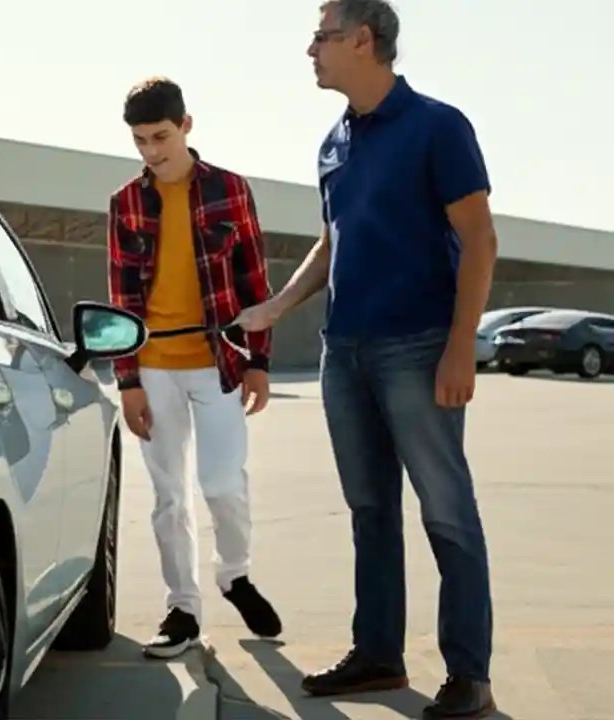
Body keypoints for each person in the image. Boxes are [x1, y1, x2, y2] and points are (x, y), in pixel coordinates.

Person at [233, 2, 498, 717]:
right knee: (369, 509)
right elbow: (332, 243)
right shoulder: (333, 142)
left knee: (446, 511)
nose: (309, 50)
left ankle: (469, 675)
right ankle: (378, 653)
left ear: (362, 40)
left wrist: (458, 348)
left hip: (418, 347)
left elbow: (479, 240)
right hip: (342, 350)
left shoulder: (439, 127)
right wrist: (275, 308)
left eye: (320, 36)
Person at [107, 77, 282, 659]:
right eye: (139, 141)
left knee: (223, 484)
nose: (152, 150)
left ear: (186, 125)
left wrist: (260, 361)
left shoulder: (230, 192)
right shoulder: (125, 203)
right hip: (153, 367)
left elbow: (255, 280)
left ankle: (234, 574)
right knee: (168, 498)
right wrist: (127, 380)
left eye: (160, 136)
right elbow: (122, 299)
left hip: (218, 362)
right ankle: (182, 609)